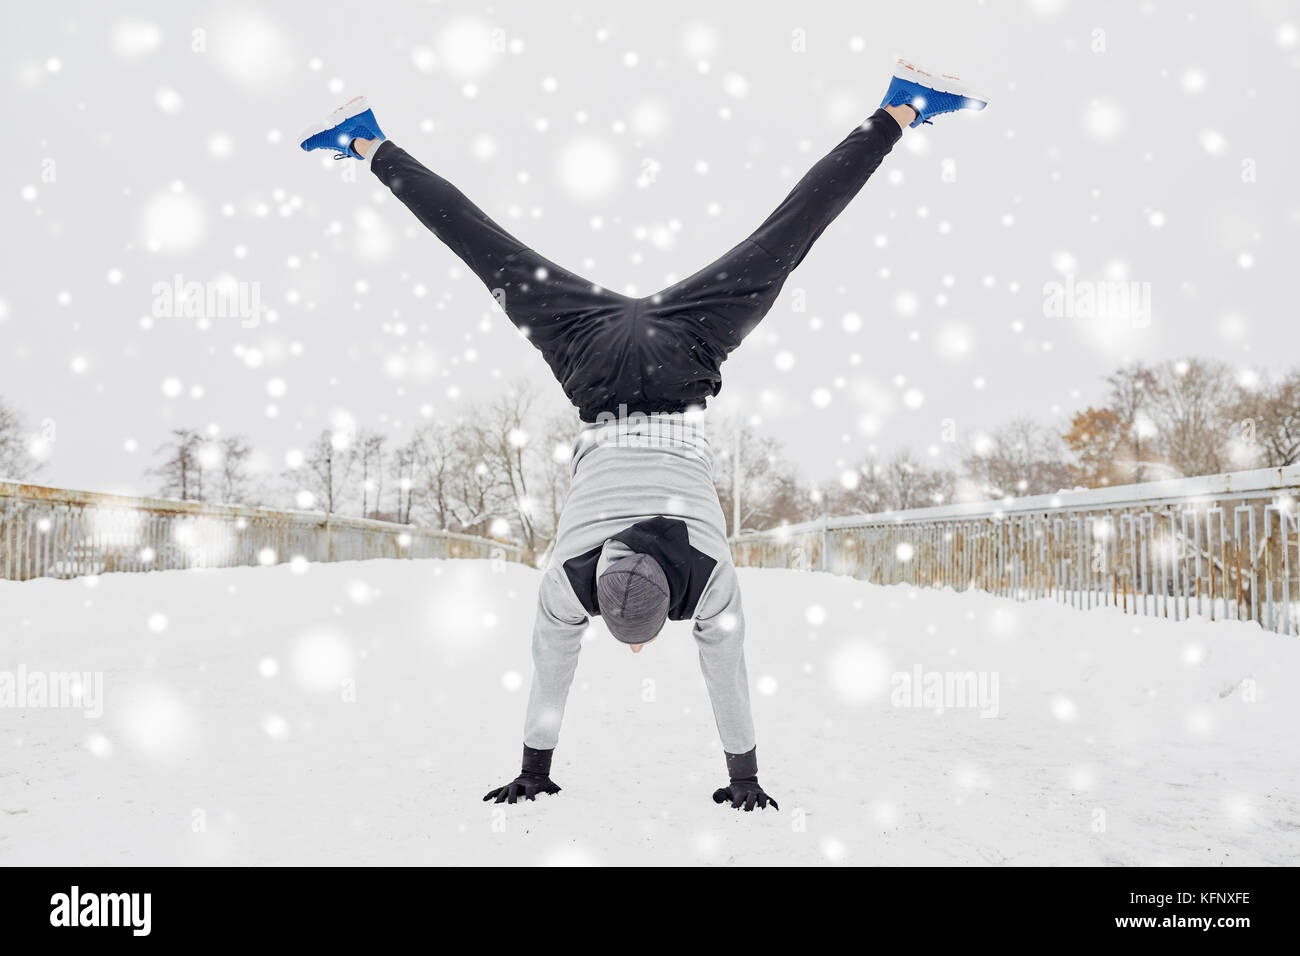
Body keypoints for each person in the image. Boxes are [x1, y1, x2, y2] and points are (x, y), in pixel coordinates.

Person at [300, 59, 988, 811]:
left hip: (684, 351)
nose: (632, 647)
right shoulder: (566, 575)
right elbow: (550, 669)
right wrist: (534, 765)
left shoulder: (711, 576)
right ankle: (369, 143)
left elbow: (726, 674)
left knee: (786, 236)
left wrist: (745, 777)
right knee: (483, 246)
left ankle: (898, 111)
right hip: (590, 361)